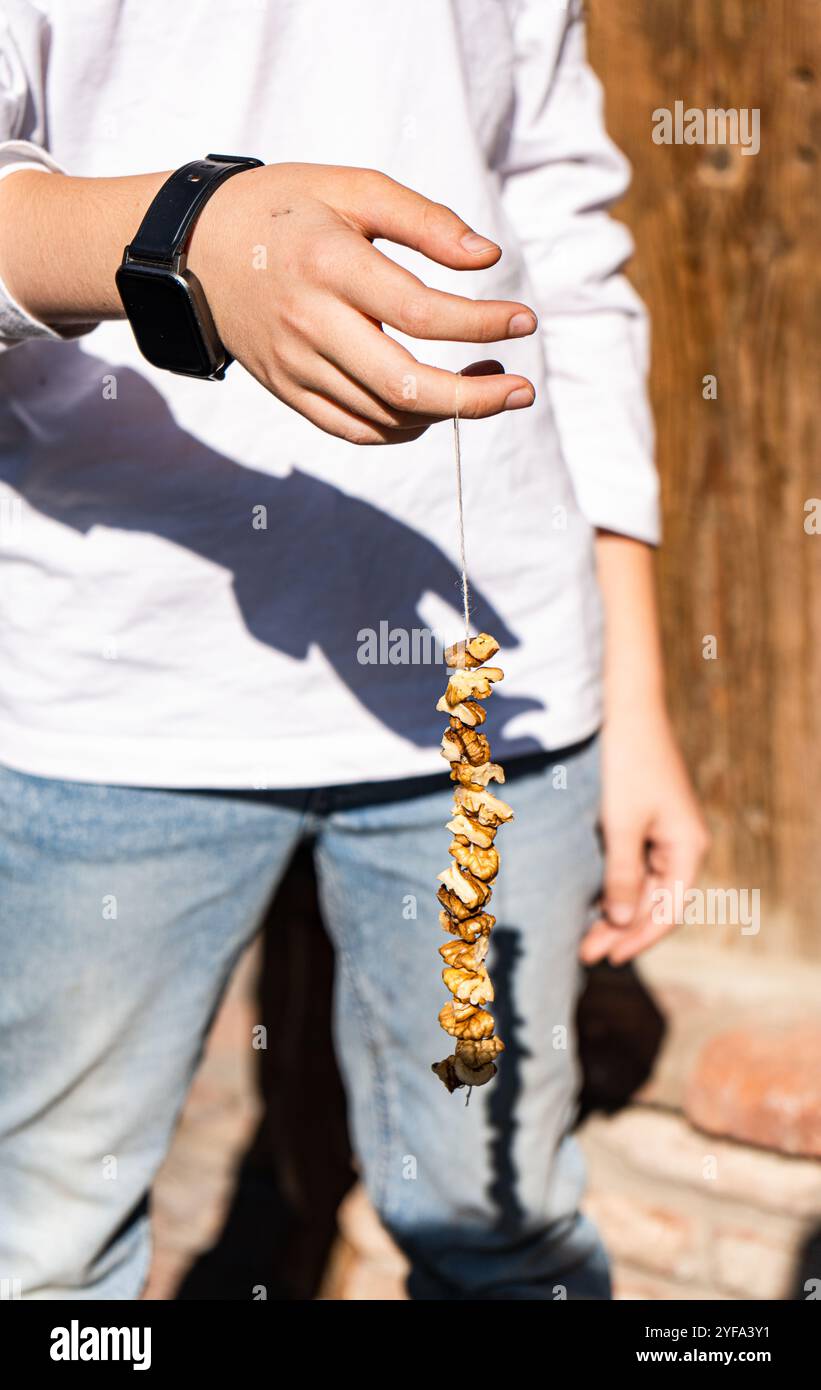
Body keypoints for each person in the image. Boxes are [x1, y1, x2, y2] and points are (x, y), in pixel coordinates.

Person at [0, 0, 707, 1300]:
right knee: (45, 1251)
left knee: (503, 1226)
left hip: (501, 678)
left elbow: (563, 252)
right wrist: (186, 235)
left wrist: (631, 685)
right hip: (112, 689)